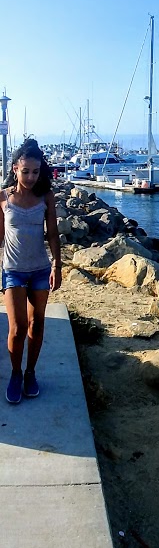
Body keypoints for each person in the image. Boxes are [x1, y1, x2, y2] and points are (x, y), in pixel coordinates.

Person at [0, 140, 60, 404]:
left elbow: (53, 234)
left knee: (37, 324)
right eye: (26, 171)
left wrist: (57, 265)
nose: (31, 177)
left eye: (36, 172)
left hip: (39, 270)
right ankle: (15, 373)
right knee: (17, 328)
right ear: (15, 169)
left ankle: (30, 373)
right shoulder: (2, 197)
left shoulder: (46, 196)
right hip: (12, 270)